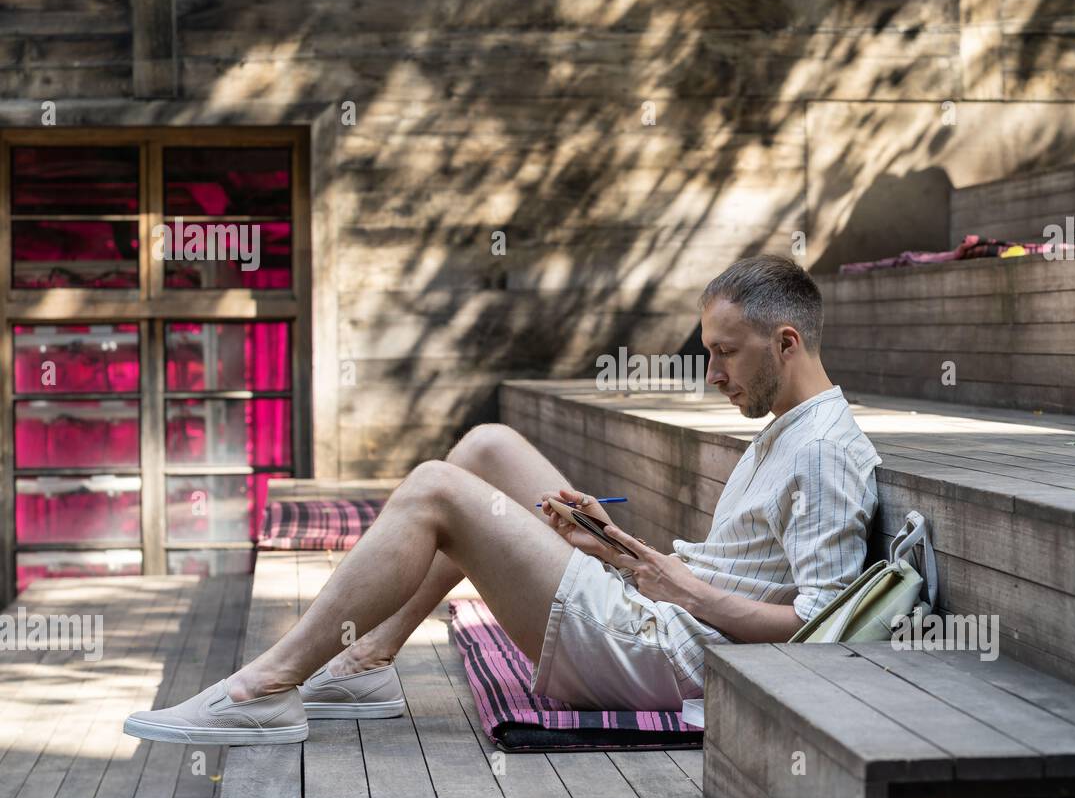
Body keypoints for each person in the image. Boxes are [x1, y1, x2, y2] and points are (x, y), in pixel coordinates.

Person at [123, 254, 884, 744]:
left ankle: (267, 684)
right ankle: (368, 657)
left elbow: (822, 634)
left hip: (665, 655)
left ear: (786, 343)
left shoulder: (822, 453)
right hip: (660, 615)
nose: (712, 374)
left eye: (725, 354)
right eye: (709, 352)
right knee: (485, 446)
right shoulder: (789, 427)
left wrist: (678, 586)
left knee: (435, 491)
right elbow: (739, 571)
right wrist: (612, 545)